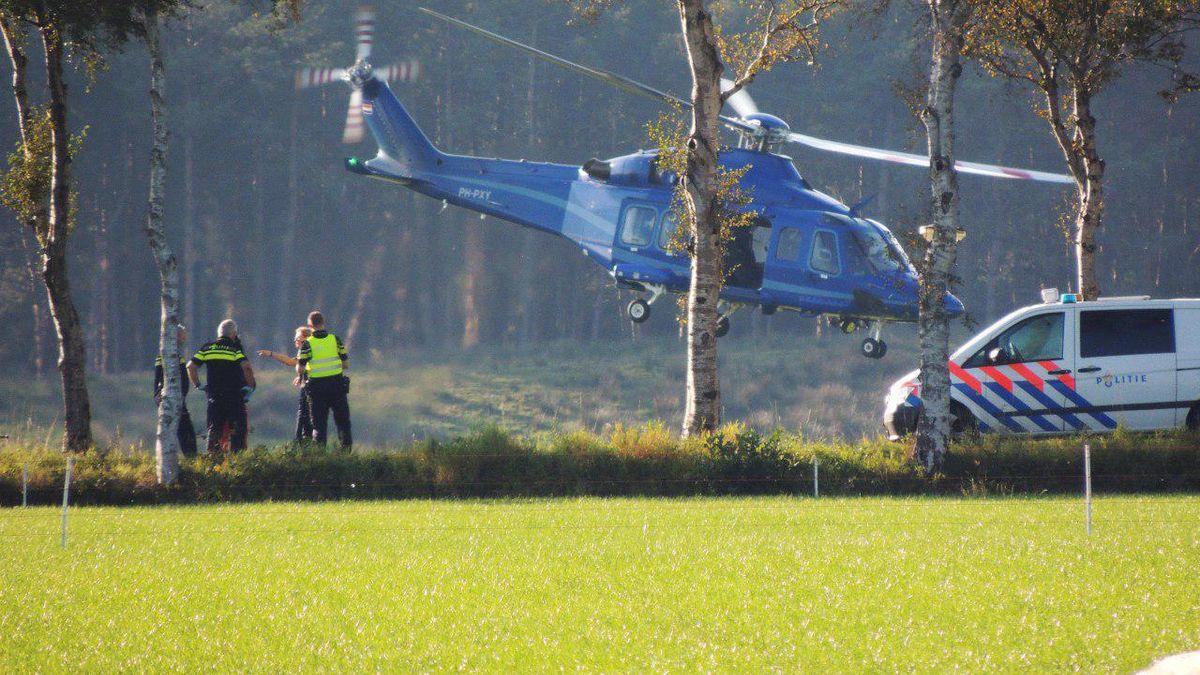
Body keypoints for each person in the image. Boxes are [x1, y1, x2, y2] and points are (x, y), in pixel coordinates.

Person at [188, 319, 256, 455]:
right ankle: (239, 462)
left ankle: (213, 463)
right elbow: (247, 367)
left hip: (214, 397)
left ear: (219, 334)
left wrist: (198, 385)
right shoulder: (235, 349)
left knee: (215, 430)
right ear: (234, 334)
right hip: (234, 397)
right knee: (237, 430)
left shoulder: (207, 348)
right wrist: (251, 386)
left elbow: (191, 366)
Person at [296, 310, 351, 449]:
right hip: (337, 385)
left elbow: (300, 369)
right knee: (343, 421)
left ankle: (319, 454)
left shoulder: (308, 344)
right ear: (323, 322)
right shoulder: (335, 339)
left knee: (319, 425)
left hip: (317, 388)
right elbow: (346, 364)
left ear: (310, 325)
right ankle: (346, 451)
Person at [258, 326, 314, 442]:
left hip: (309, 388)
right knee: (306, 417)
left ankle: (300, 441)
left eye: (298, 338)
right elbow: (301, 364)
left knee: (303, 416)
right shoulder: (307, 350)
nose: (295, 341)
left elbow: (291, 362)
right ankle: (304, 441)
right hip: (310, 385)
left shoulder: (307, 348)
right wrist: (300, 376)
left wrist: (270, 354)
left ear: (306, 339)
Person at [153, 324, 197, 457]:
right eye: (183, 335)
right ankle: (191, 458)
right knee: (186, 431)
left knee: (178, 431)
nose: (185, 338)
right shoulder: (170, 355)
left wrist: (156, 394)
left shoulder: (171, 354)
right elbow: (159, 377)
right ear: (177, 335)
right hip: (174, 400)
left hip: (176, 399)